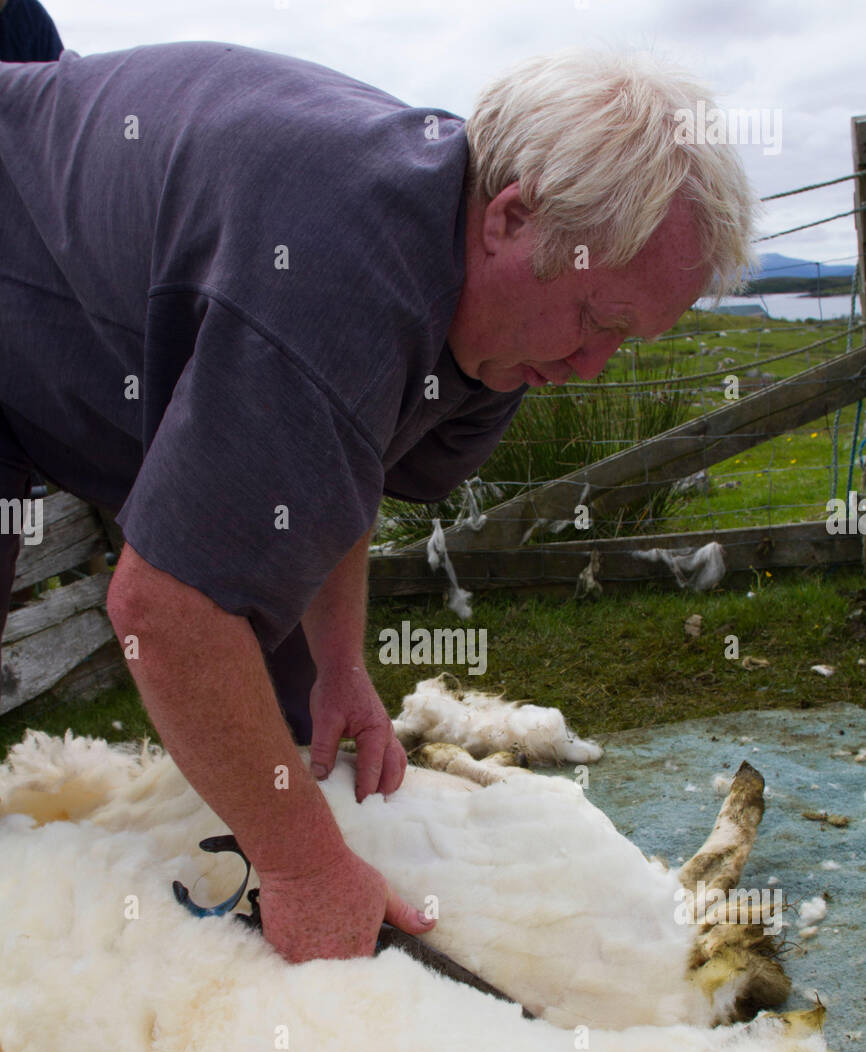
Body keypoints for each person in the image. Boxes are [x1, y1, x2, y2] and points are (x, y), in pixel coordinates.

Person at [0, 42, 758, 962]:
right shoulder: (338, 271)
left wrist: (340, 664)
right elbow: (161, 615)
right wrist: (306, 870)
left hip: (111, 331)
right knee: (240, 719)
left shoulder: (503, 322)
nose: (589, 368)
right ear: (511, 217)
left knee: (279, 732)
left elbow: (336, 472)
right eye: (597, 322)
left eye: (624, 340)